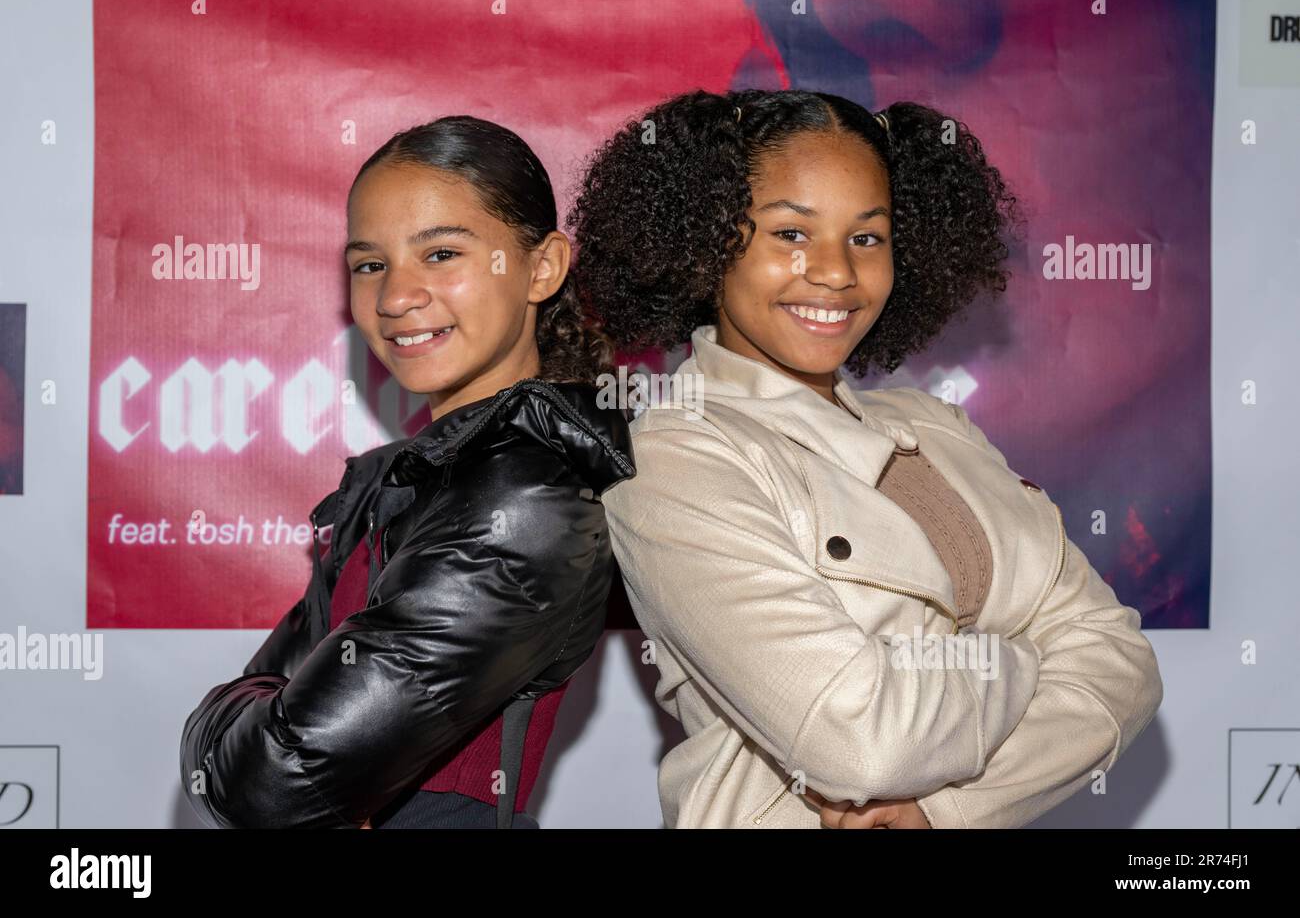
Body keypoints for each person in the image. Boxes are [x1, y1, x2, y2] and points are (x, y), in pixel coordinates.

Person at [567, 88, 1163, 828]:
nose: (836, 272)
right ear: (706, 242)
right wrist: (1017, 656)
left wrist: (943, 808)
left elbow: (1124, 666)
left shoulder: (935, 425)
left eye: (868, 237)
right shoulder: (674, 454)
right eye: (791, 233)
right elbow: (858, 739)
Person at [179, 115, 634, 828]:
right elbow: (262, 730)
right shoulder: (402, 475)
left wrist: (219, 719)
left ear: (541, 267)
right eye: (370, 264)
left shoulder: (530, 489)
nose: (395, 297)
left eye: (441, 253)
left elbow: (268, 778)